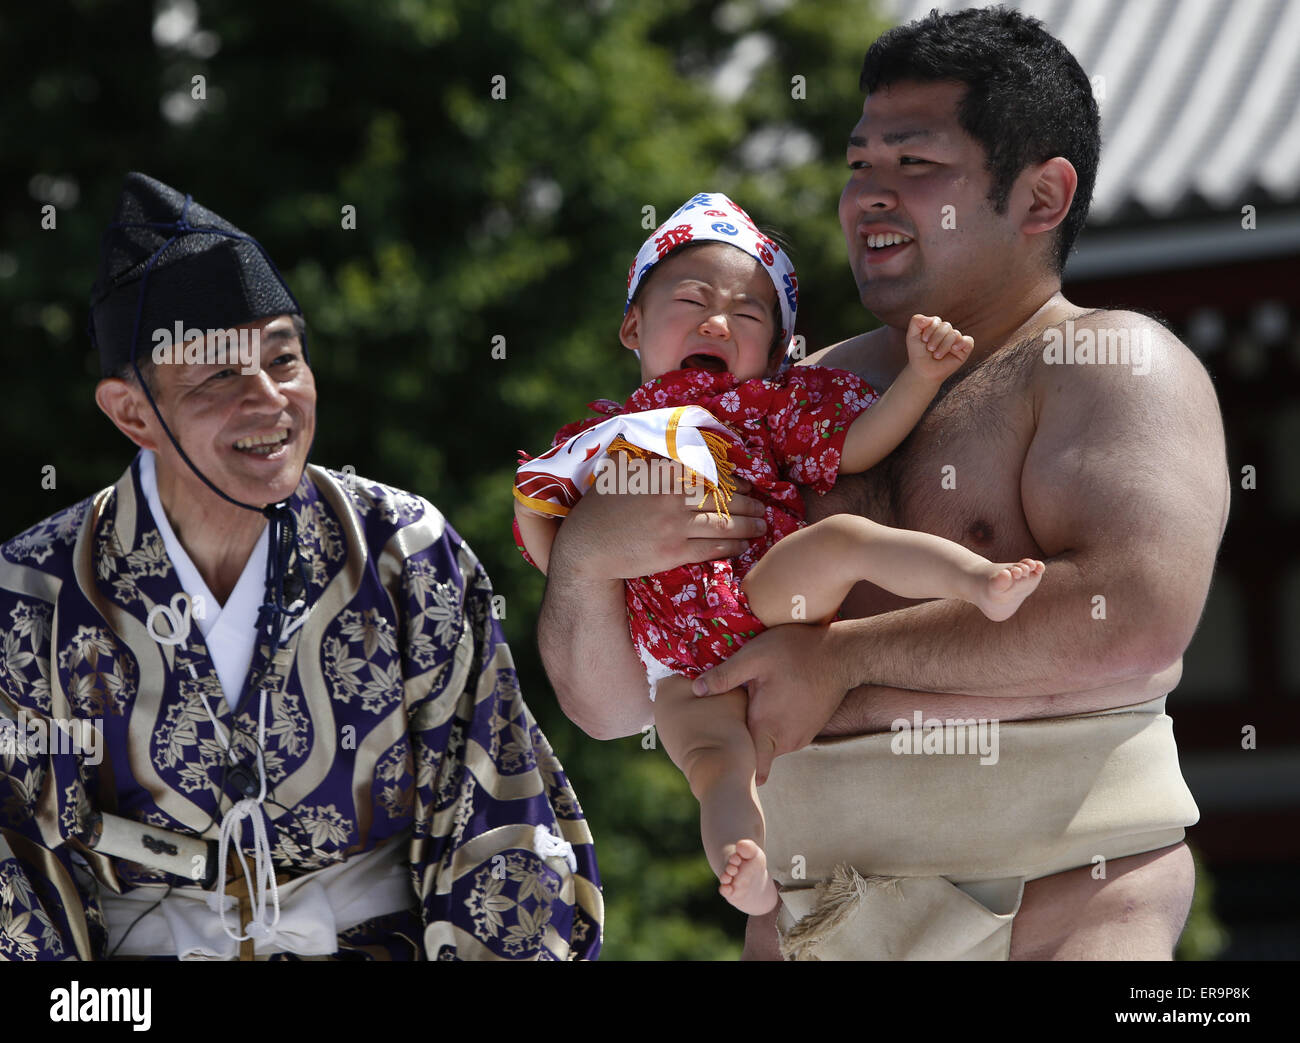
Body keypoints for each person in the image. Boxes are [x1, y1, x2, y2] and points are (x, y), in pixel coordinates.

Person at [536, 7, 1224, 960]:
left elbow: (1133, 610)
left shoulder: (1107, 360)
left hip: (1065, 900)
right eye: (860, 165)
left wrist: (844, 656)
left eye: (916, 165)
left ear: (1041, 196)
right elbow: (612, 709)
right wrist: (585, 561)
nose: (869, 196)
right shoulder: (781, 397)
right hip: (814, 913)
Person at [0, 172, 602, 961]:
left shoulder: (405, 552)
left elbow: (493, 819)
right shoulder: (35, 589)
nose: (268, 399)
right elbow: (17, 877)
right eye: (219, 375)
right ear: (132, 411)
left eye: (283, 359)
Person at [514, 191, 1044, 916]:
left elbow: (857, 443)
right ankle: (749, 868)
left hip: (761, 592)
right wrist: (579, 552)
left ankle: (978, 580)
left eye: (748, 312)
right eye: (692, 298)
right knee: (716, 767)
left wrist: (921, 377)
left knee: (842, 542)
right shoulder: (603, 434)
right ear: (632, 325)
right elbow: (538, 514)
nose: (717, 320)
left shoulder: (769, 405)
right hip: (673, 664)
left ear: (777, 348)